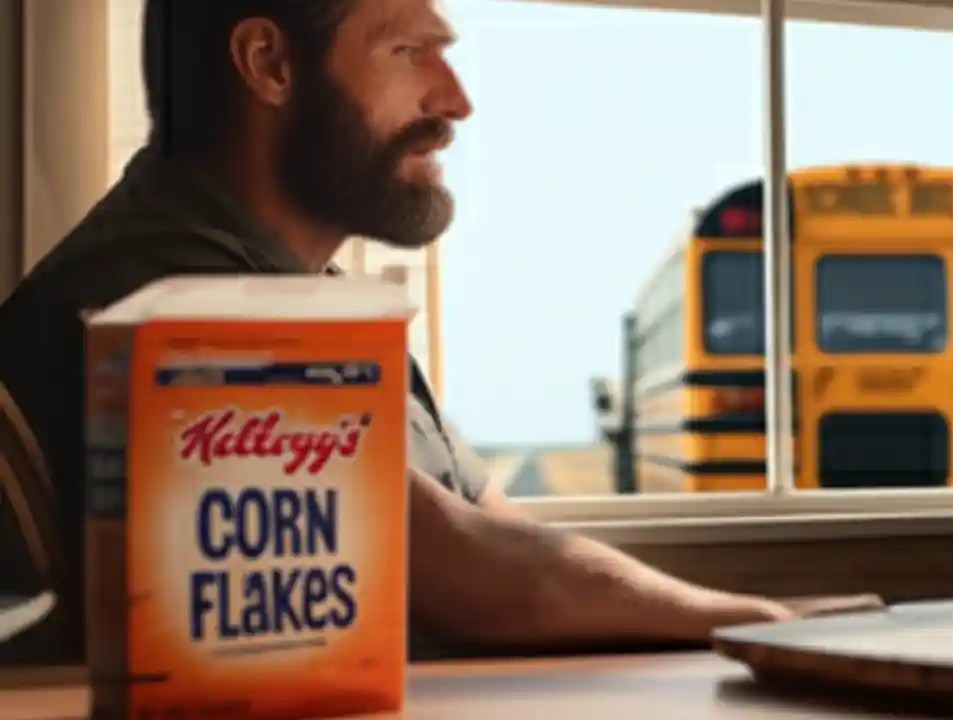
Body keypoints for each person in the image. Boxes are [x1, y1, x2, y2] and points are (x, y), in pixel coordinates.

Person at [0, 0, 880, 660]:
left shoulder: (304, 300)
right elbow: (479, 578)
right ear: (268, 63)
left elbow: (508, 536)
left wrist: (754, 619)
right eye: (409, 51)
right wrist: (765, 628)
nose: (454, 100)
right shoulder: (172, 298)